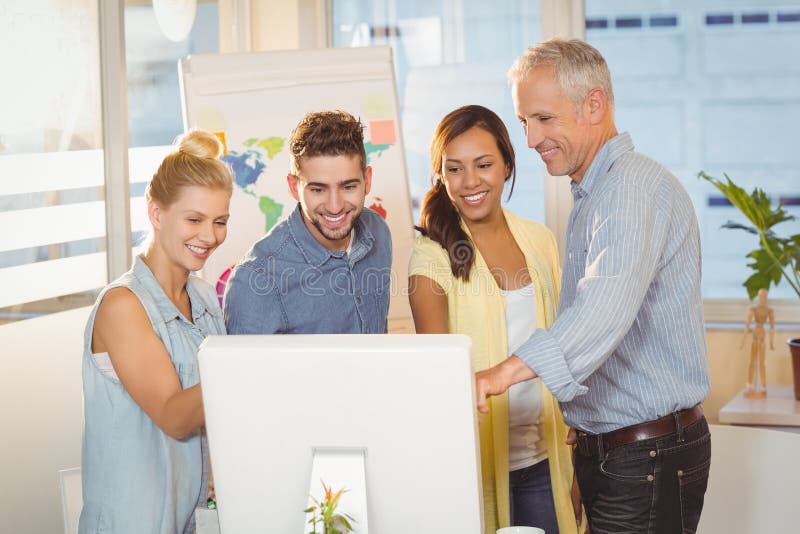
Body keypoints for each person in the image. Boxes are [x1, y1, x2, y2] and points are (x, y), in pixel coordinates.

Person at [474, 38, 712, 534]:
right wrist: (587, 438)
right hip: (621, 452)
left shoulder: (628, 190)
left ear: (594, 104)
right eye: (523, 122)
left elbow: (602, 309)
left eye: (543, 118)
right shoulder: (598, 191)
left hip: (645, 457)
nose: (531, 137)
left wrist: (500, 375)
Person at [408, 105, 582, 534]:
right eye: (455, 169)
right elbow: (439, 378)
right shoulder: (431, 256)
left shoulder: (539, 241)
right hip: (474, 471)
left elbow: (566, 341)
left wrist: (579, 441)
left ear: (507, 164)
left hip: (547, 460)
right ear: (440, 175)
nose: (470, 181)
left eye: (484, 165)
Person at [80, 130, 232, 534]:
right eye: (194, 219)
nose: (209, 236)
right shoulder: (122, 305)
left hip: (189, 521)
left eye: (220, 222)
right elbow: (174, 416)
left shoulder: (203, 298)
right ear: (157, 213)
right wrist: (250, 365)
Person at [224, 110, 391, 334]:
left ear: (367, 180)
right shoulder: (255, 280)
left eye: (348, 187)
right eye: (318, 189)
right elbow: (242, 369)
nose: (335, 206)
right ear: (294, 187)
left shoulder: (377, 231)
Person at [741, 288, 774, 398]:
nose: (763, 299)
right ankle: (750, 384)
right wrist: (743, 340)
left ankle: (763, 385)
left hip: (762, 336)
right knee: (752, 361)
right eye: (761, 297)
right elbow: (747, 325)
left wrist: (771, 343)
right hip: (755, 335)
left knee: (762, 362)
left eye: (765, 297)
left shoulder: (769, 311)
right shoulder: (753, 309)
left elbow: (772, 327)